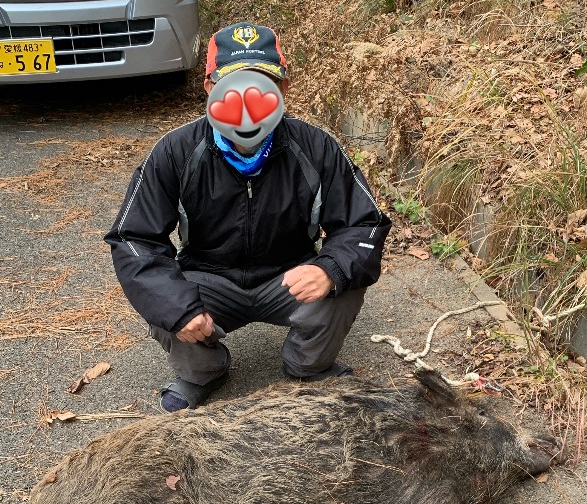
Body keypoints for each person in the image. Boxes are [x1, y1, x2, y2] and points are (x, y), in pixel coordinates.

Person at [105, 21, 391, 412]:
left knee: (345, 280)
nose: (247, 97)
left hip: (289, 273)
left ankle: (308, 365)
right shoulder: (175, 150)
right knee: (162, 297)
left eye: (263, 82)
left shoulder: (316, 146)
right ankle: (202, 372)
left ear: (283, 88)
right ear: (209, 87)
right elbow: (132, 238)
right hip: (209, 275)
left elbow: (365, 223)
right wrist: (176, 306)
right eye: (233, 83)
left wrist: (329, 269)